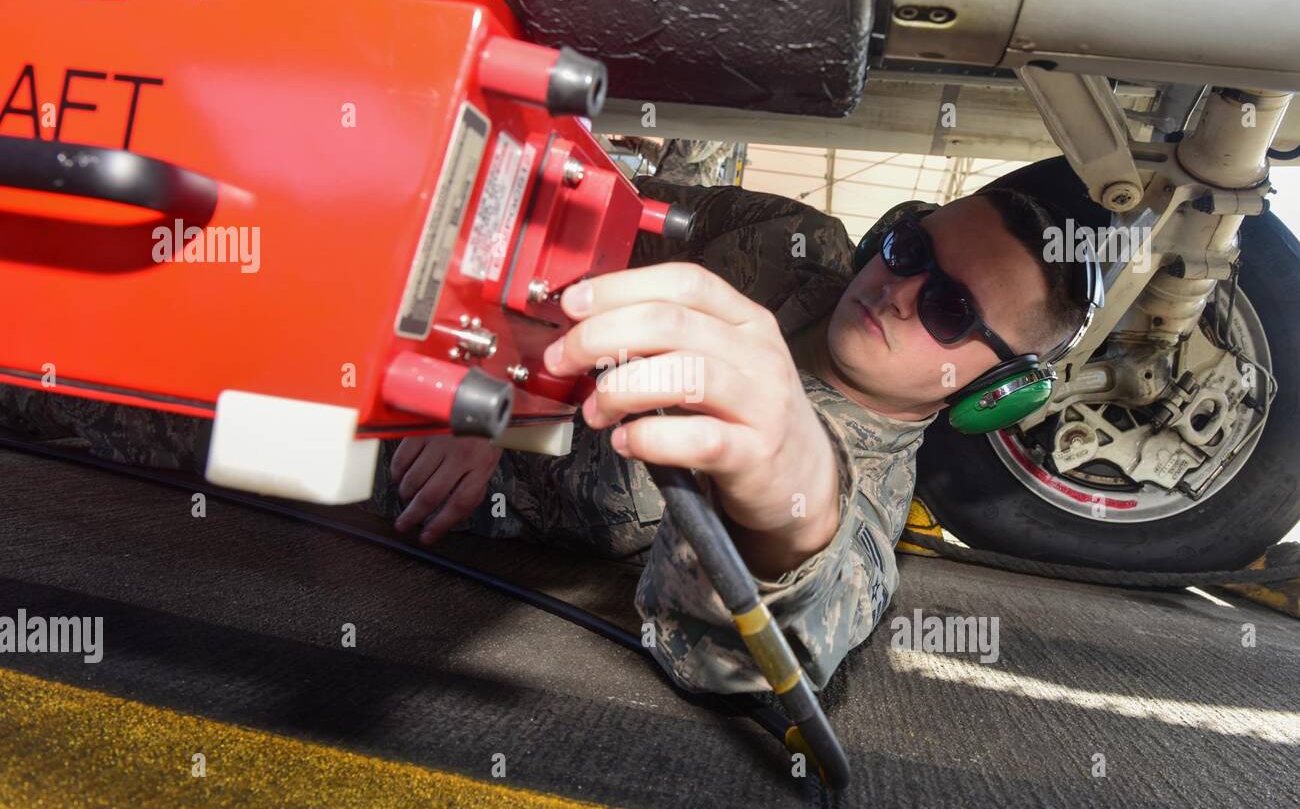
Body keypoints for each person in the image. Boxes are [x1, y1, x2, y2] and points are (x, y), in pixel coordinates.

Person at [379, 178, 1088, 695]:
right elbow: (589, 202)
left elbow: (752, 652)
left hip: (384, 482)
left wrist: (789, 493)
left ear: (990, 392)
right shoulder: (787, 238)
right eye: (910, 250)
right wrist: (501, 365)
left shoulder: (864, 493)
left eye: (948, 309)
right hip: (408, 305)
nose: (897, 291)